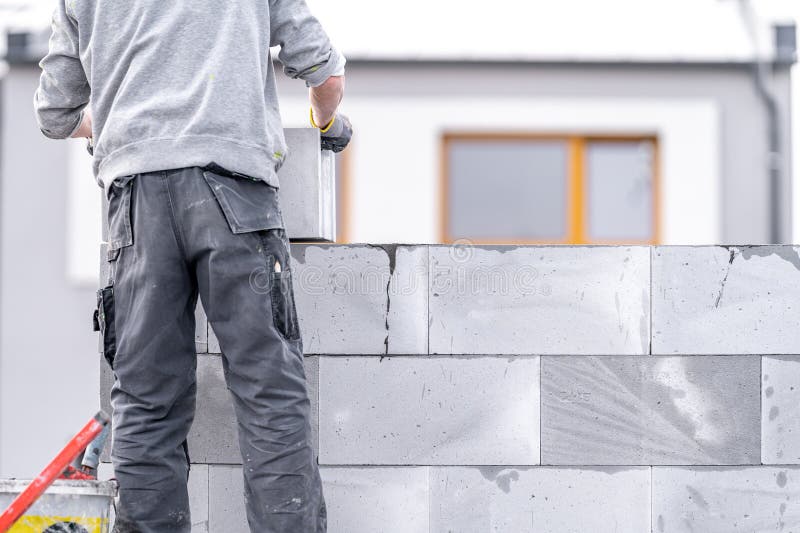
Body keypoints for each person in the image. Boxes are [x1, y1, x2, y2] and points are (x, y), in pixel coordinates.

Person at [34, 0, 351, 531]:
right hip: (237, 197)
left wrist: (131, 125)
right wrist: (325, 119)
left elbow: (55, 114)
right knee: (269, 393)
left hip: (136, 208)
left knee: (145, 402)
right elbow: (326, 72)